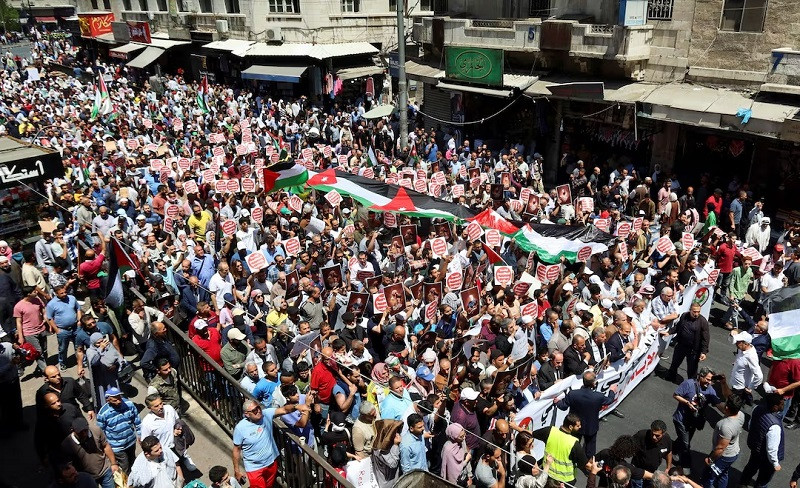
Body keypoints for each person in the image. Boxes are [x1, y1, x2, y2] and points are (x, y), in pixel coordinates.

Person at [232, 398, 310, 488]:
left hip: (271, 463)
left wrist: (297, 406)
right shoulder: (240, 428)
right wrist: (237, 470)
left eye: (258, 408)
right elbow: (236, 450)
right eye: (254, 410)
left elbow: (284, 409)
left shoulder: (266, 414)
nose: (258, 411)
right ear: (247, 414)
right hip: (254, 468)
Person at [554, 370, 618, 458]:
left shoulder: (573, 394)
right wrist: (612, 391)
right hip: (590, 426)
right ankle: (588, 464)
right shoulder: (598, 396)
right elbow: (609, 400)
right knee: (590, 448)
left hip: (575, 425)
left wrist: (557, 402)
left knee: (573, 444)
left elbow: (563, 406)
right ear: (594, 383)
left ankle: (570, 457)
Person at [671, 368, 725, 466]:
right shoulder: (688, 384)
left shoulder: (710, 390)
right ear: (700, 376)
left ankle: (673, 449)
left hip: (694, 421)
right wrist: (687, 403)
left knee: (683, 439)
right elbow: (675, 395)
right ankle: (685, 466)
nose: (709, 382)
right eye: (707, 379)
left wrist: (729, 411)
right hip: (681, 419)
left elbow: (718, 404)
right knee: (686, 445)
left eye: (711, 380)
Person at [739, 393, 785, 488]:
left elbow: (750, 425)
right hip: (767, 458)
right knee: (763, 479)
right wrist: (775, 463)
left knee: (751, 467)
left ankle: (742, 484)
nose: (783, 405)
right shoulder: (774, 426)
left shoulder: (757, 409)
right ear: (775, 407)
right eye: (782, 404)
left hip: (756, 448)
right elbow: (771, 448)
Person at [59, 417, 118, 488]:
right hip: (86, 478)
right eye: (80, 432)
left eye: (85, 430)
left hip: (105, 471)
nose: (84, 434)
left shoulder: (96, 430)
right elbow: (69, 465)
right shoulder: (67, 444)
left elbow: (106, 446)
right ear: (73, 430)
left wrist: (113, 464)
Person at [531, 414, 589, 486]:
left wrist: (516, 427)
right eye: (577, 426)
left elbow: (532, 433)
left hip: (547, 474)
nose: (580, 427)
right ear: (570, 427)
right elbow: (586, 464)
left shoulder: (550, 431)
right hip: (565, 481)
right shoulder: (574, 443)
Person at [702, 394, 745, 488]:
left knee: (710, 476)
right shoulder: (741, 415)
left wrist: (710, 459)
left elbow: (721, 448)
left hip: (723, 456)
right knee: (723, 474)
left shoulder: (726, 426)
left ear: (727, 408)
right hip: (733, 453)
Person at [96, 388, 141, 474]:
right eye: (115, 400)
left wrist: (140, 434)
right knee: (125, 467)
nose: (118, 401)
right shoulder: (103, 413)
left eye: (119, 398)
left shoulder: (129, 404)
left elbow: (137, 420)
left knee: (134, 463)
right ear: (108, 400)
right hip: (117, 447)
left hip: (131, 442)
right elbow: (100, 432)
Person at [666, 303, 709, 383]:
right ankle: (671, 376)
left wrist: (704, 352)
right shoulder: (684, 316)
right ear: (690, 310)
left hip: (693, 350)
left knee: (692, 369)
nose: (696, 314)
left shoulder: (702, 321)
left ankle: (691, 385)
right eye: (694, 312)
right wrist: (669, 332)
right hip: (681, 346)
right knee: (675, 363)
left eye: (698, 312)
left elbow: (705, 338)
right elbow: (678, 327)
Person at [728, 330, 763, 406]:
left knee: (733, 406)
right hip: (736, 383)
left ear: (746, 343)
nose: (736, 343)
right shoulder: (742, 348)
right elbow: (731, 340)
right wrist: (731, 334)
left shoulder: (751, 356)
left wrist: (751, 387)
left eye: (738, 341)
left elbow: (759, 376)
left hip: (739, 388)